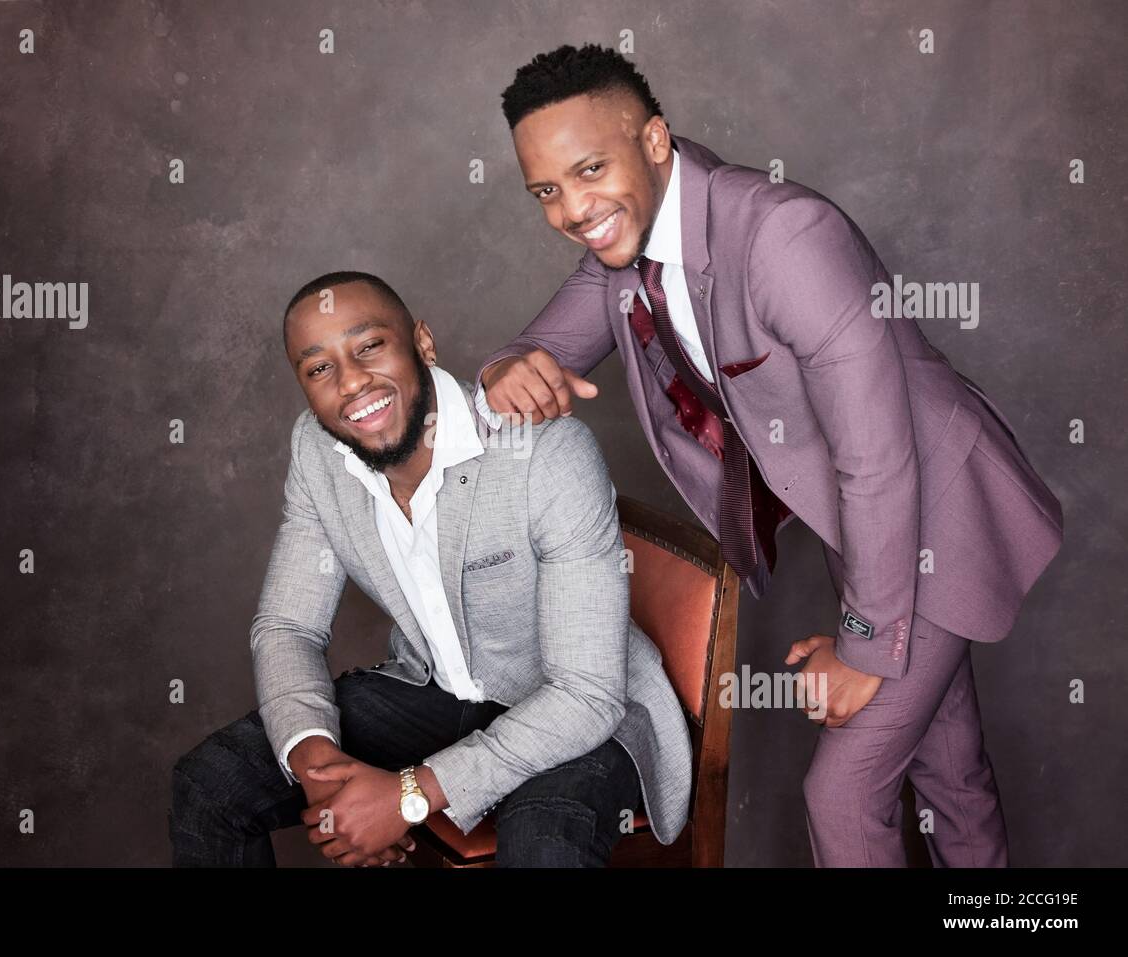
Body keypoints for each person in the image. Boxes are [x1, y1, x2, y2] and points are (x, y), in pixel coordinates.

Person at [473, 44, 1062, 867]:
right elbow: (537, 345)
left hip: (940, 514)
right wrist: (505, 369)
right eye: (547, 191)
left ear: (653, 140)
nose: (573, 208)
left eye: (590, 169)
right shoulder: (625, 250)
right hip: (872, 532)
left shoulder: (783, 235)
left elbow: (882, 458)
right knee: (949, 770)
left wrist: (863, 640)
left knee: (844, 793)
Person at [169, 270, 692, 867]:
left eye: (369, 346)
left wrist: (406, 798)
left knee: (543, 843)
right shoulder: (318, 452)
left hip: (583, 710)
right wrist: (320, 769)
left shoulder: (544, 452)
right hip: (438, 689)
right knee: (211, 785)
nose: (352, 383)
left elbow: (586, 693)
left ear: (421, 342)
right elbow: (288, 626)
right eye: (319, 369)